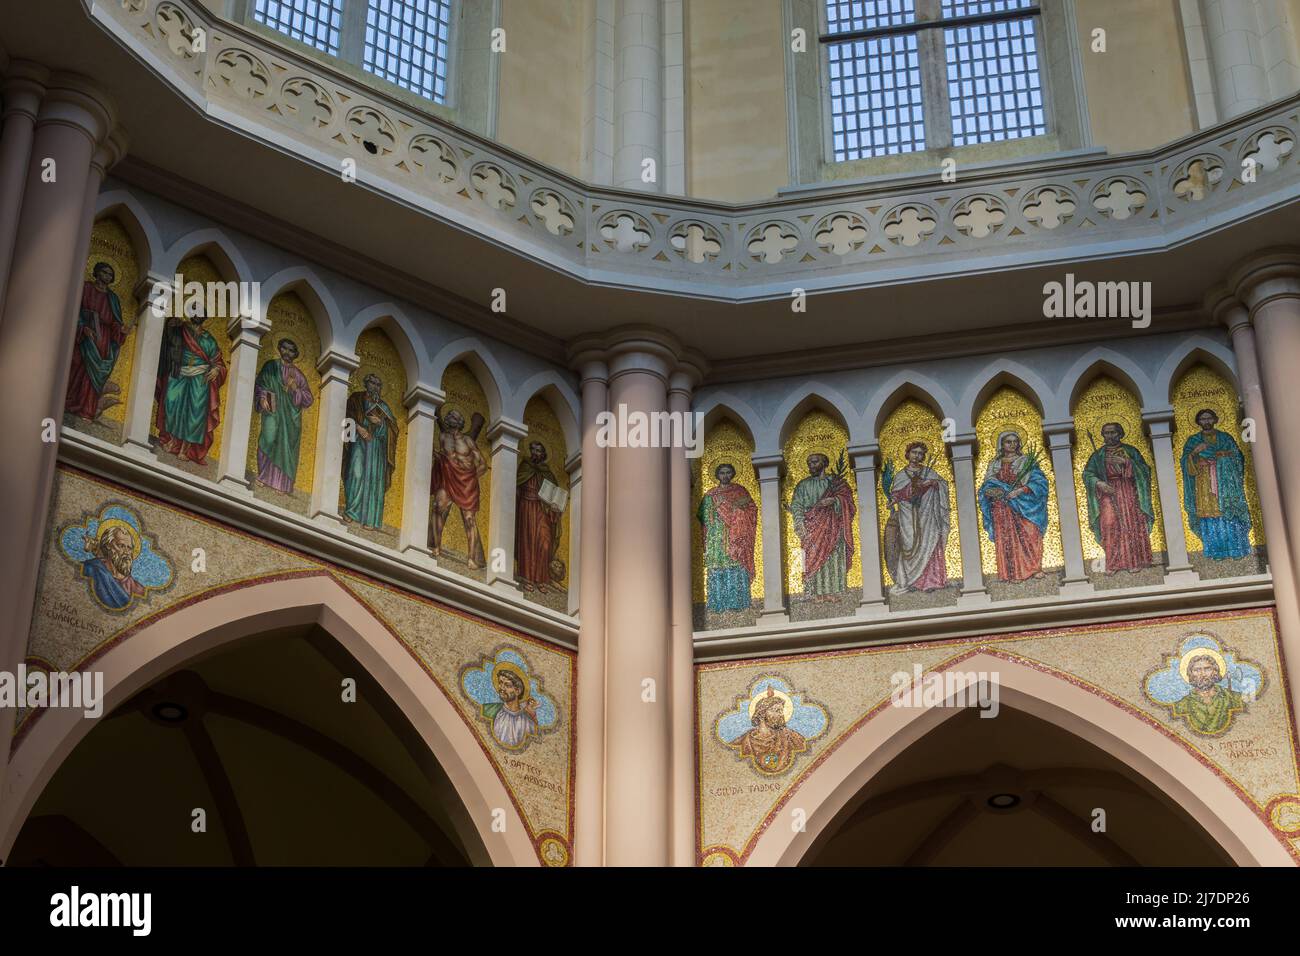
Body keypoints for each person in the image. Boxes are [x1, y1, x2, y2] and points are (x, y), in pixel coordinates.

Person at [155, 307, 227, 464]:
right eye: (195, 311)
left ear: (205, 317)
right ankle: (173, 440)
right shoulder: (180, 330)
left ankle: (184, 450)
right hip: (178, 372)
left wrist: (216, 369)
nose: (198, 315)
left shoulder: (208, 339)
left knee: (195, 414)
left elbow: (218, 361)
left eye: (201, 313)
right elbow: (167, 340)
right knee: (172, 405)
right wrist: (171, 323)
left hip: (200, 378)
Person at [1181, 408, 1252, 560]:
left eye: (1209, 418)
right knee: (1209, 515)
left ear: (1215, 419)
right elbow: (1185, 461)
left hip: (1225, 482)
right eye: (1202, 419)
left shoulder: (1225, 437)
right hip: (1204, 482)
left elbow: (1238, 456)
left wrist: (1223, 457)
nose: (1206, 422)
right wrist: (1194, 453)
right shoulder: (1193, 440)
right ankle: (1215, 551)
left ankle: (1236, 549)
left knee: (1229, 511)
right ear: (1198, 422)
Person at [1082, 422, 1154, 572]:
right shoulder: (1098, 455)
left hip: (1128, 492)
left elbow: (1145, 471)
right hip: (1107, 493)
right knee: (1109, 524)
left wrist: (1127, 463)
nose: (1110, 436)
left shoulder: (1130, 451)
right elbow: (1088, 474)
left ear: (1120, 434)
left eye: (1113, 432)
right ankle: (1113, 563)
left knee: (1130, 523)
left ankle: (1133, 562)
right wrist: (1099, 483)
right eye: (1106, 433)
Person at [979, 431, 1049, 581]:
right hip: (1002, 506)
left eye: (1015, 441)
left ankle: (1034, 568)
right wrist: (991, 492)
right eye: (1008, 442)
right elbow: (987, 486)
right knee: (1007, 538)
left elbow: (1040, 482)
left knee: (1030, 533)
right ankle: (1012, 573)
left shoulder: (1026, 461)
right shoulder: (994, 464)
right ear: (1001, 445)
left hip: (1024, 503)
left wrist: (1020, 491)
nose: (1012, 445)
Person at [884, 441, 949, 593]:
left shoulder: (929, 472)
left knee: (930, 542)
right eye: (914, 452)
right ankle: (909, 581)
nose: (917, 456)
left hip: (928, 516)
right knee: (909, 544)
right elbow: (897, 494)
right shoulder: (901, 475)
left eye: (920, 453)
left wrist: (932, 483)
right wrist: (896, 498)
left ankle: (931, 581)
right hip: (908, 516)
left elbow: (942, 484)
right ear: (908, 454)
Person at [66, 262, 127, 420]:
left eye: (110, 274)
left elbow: (115, 321)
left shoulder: (112, 298)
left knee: (92, 375)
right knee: (77, 366)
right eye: (104, 272)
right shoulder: (86, 288)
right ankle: (68, 402)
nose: (107, 276)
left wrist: (121, 330)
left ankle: (87, 409)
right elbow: (75, 309)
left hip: (103, 339)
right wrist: (82, 327)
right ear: (97, 272)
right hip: (84, 336)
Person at [789, 453, 855, 598]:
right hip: (812, 528)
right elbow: (797, 506)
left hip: (833, 527)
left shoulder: (836, 483)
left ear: (824, 463)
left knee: (833, 557)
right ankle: (815, 594)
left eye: (814, 462)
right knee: (813, 557)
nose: (811, 466)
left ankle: (832, 592)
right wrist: (800, 524)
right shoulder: (803, 485)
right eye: (809, 463)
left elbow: (849, 503)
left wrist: (836, 501)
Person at [253, 338, 314, 493]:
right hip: (271, 410)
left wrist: (295, 389)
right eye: (285, 348)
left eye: (291, 350)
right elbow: (260, 383)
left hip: (290, 419)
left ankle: (281, 484)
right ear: (279, 349)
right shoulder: (270, 367)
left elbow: (308, 399)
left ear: (295, 354)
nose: (287, 353)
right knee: (268, 438)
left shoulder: (298, 375)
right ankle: (263, 475)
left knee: (285, 447)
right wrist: (261, 396)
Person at [697, 463, 758, 612]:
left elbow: (751, 510)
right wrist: (715, 510)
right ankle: (718, 604)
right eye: (722, 473)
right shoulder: (710, 495)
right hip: (716, 538)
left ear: (733, 474)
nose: (725, 475)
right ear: (717, 475)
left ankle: (739, 603)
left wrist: (733, 509)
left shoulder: (740, 491)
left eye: (728, 472)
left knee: (736, 566)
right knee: (718, 568)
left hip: (736, 537)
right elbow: (702, 516)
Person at [431, 408, 488, 567]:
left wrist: (472, 478)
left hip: (467, 484)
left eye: (454, 416)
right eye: (448, 415)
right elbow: (443, 458)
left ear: (460, 422)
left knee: (469, 520)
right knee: (437, 507)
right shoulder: (443, 437)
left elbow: (483, 464)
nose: (450, 418)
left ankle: (471, 558)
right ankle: (436, 546)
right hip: (449, 479)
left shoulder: (468, 441)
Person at [342, 373, 398, 528]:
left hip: (376, 449)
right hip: (358, 442)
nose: (375, 386)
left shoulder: (384, 406)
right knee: (356, 473)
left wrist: (380, 424)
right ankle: (351, 510)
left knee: (373, 480)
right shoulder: (356, 398)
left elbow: (393, 430)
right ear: (366, 383)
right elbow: (346, 415)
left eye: (378, 384)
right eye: (372, 383)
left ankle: (369, 519)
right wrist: (359, 428)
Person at [515, 440, 563, 592]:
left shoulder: (547, 472)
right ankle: (527, 578)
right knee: (527, 542)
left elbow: (555, 494)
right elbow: (515, 485)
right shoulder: (525, 467)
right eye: (533, 450)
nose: (535, 453)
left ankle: (542, 579)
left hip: (542, 510)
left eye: (538, 450)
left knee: (544, 543)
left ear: (544, 454)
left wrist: (555, 507)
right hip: (526, 507)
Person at [730, 687, 808, 775]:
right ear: (761, 714)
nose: (781, 715)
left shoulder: (791, 737)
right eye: (776, 710)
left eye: (781, 711)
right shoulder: (744, 741)